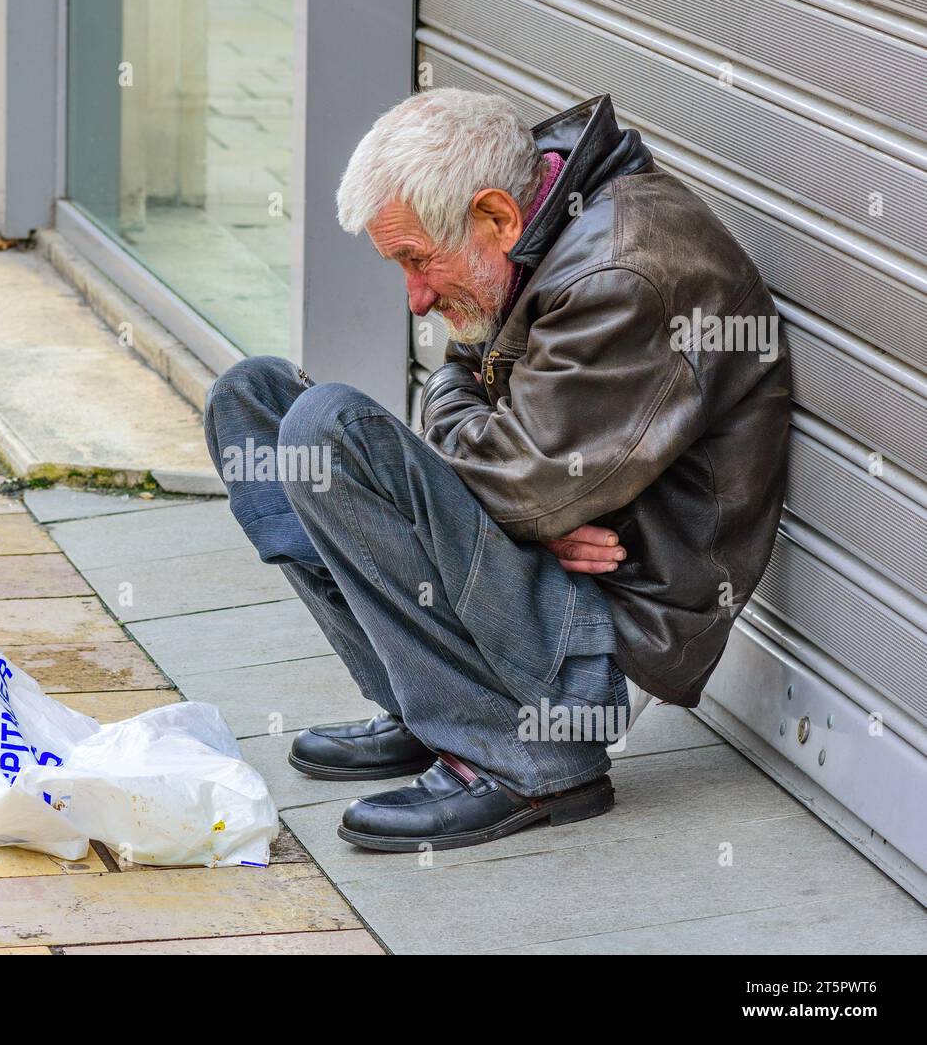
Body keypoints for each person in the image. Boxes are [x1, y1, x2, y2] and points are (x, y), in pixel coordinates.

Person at [203, 90, 791, 852]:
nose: (415, 298)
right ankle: (432, 706)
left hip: (604, 638)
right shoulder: (529, 236)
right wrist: (523, 511)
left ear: (497, 217)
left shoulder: (622, 275)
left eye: (416, 261)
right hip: (547, 581)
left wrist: (518, 505)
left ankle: (522, 758)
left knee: (328, 429)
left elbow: (517, 480)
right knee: (252, 401)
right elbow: (490, 440)